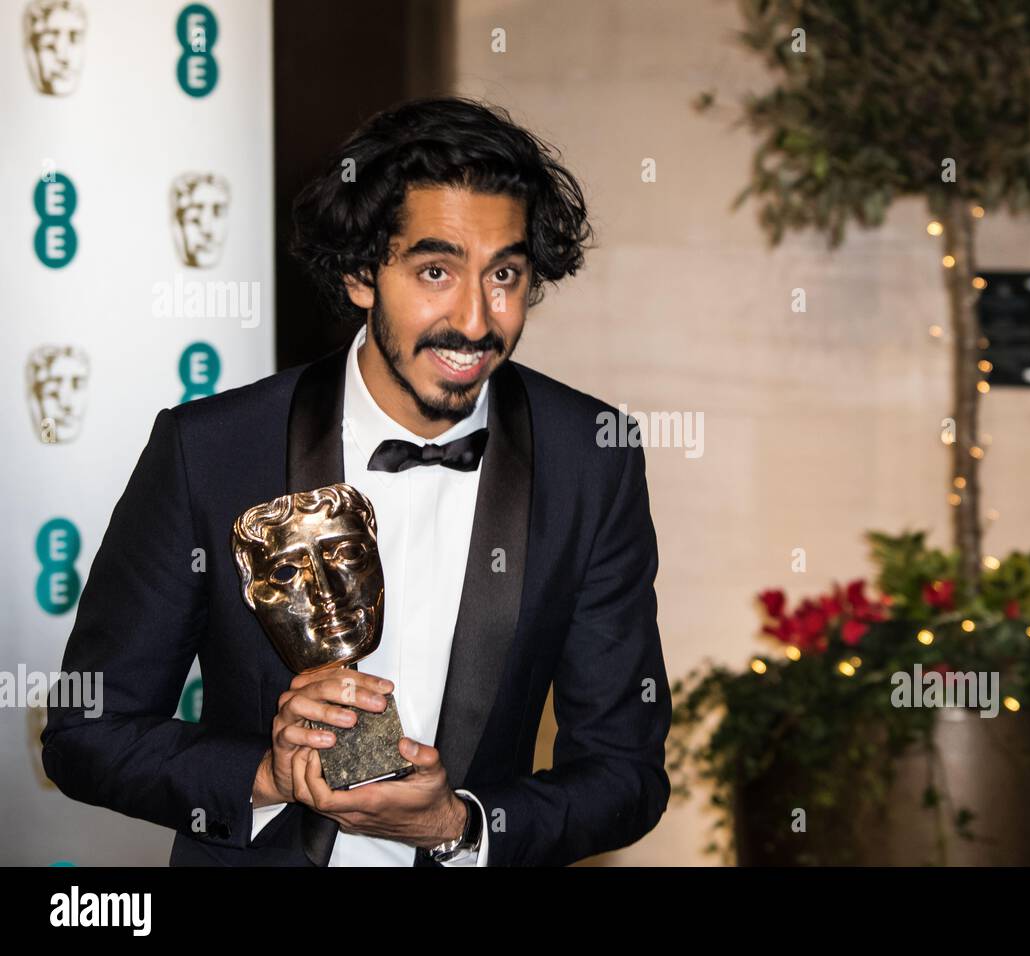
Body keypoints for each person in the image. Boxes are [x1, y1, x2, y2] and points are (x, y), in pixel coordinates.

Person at [41, 96, 672, 867]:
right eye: (435, 270)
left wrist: (459, 826)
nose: (476, 319)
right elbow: (86, 734)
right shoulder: (210, 451)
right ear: (359, 275)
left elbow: (626, 775)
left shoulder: (591, 458)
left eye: (504, 273)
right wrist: (267, 775)